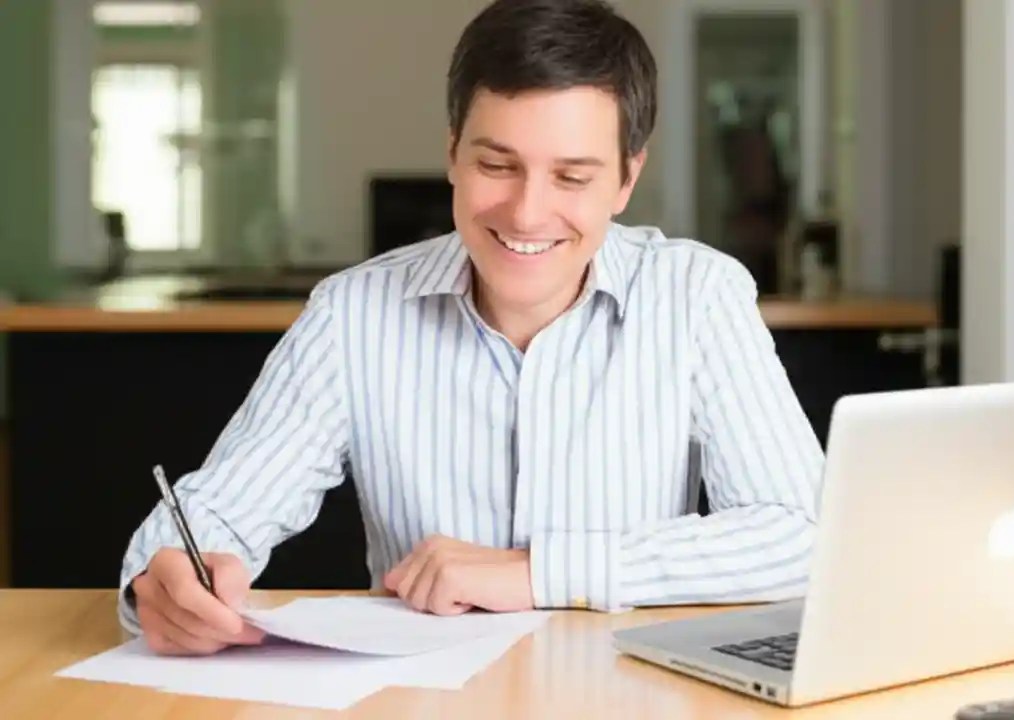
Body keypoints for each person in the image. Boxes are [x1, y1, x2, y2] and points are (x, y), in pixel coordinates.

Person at [120, 0, 824, 656]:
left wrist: (537, 573)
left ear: (625, 180)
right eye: (496, 165)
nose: (527, 213)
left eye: (572, 177)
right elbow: (213, 519)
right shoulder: (351, 313)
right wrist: (166, 584)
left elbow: (807, 535)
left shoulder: (698, 296)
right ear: (453, 152)